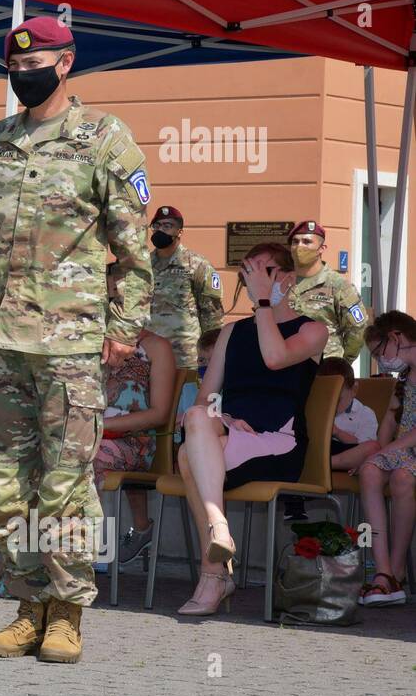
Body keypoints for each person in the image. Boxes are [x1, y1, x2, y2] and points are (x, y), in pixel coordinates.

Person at [0, 16, 152, 664]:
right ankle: (26, 606)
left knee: (66, 485)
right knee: (8, 485)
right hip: (6, 340)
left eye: (35, 61)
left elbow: (133, 248)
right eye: (13, 65)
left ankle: (67, 614)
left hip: (72, 342)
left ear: (65, 63)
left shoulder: (105, 139)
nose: (22, 72)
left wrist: (124, 329)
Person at [174, 243, 326, 616]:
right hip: (230, 436)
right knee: (196, 419)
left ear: (288, 280)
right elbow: (206, 397)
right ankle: (218, 529)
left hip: (278, 440)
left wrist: (261, 305)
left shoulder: (312, 330)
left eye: (266, 272)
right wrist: (221, 417)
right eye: (250, 273)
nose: (256, 280)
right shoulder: (232, 332)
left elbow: (275, 358)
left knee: (185, 456)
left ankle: (214, 575)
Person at [93, 307, 176, 570]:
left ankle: (84, 551)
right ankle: (35, 551)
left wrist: (102, 427)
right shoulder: (88, 340)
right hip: (86, 433)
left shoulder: (155, 347)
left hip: (133, 440)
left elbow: (159, 414)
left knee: (85, 456)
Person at [355, 312, 416, 606]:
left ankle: (397, 569)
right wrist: (376, 451)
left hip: (408, 450)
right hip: (403, 451)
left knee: (404, 478)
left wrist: (385, 450)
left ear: (396, 337)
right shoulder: (405, 376)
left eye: (380, 352)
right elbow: (391, 421)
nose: (381, 362)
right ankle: (383, 573)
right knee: (369, 471)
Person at [147, 205, 224, 368]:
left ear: (180, 232)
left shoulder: (197, 265)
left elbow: (212, 314)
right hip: (147, 354)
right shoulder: (142, 265)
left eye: (167, 226)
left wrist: (212, 353)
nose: (161, 230)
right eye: (157, 225)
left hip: (184, 357)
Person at [286, 220, 366, 363]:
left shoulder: (338, 285)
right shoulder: (281, 282)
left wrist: (343, 363)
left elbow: (358, 329)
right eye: (295, 242)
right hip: (286, 365)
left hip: (324, 369)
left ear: (321, 248)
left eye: (306, 242)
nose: (299, 247)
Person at [315, 357, 380, 473]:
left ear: (354, 390)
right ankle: (318, 462)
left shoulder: (365, 413)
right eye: (326, 399)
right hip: (322, 450)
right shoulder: (316, 409)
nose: (331, 405)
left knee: (372, 448)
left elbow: (363, 444)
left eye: (338, 400)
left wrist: (338, 433)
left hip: (348, 454)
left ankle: (322, 464)